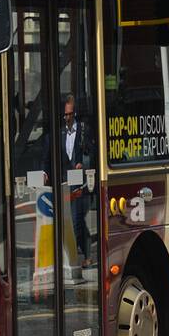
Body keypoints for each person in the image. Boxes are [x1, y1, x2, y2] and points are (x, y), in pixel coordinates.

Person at [62, 94, 95, 268]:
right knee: (74, 221)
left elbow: (92, 151)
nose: (67, 117)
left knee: (77, 220)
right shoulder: (61, 132)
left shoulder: (83, 130)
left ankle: (80, 257)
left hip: (80, 181)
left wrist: (83, 163)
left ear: (75, 114)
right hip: (66, 182)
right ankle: (84, 254)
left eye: (70, 114)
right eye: (65, 114)